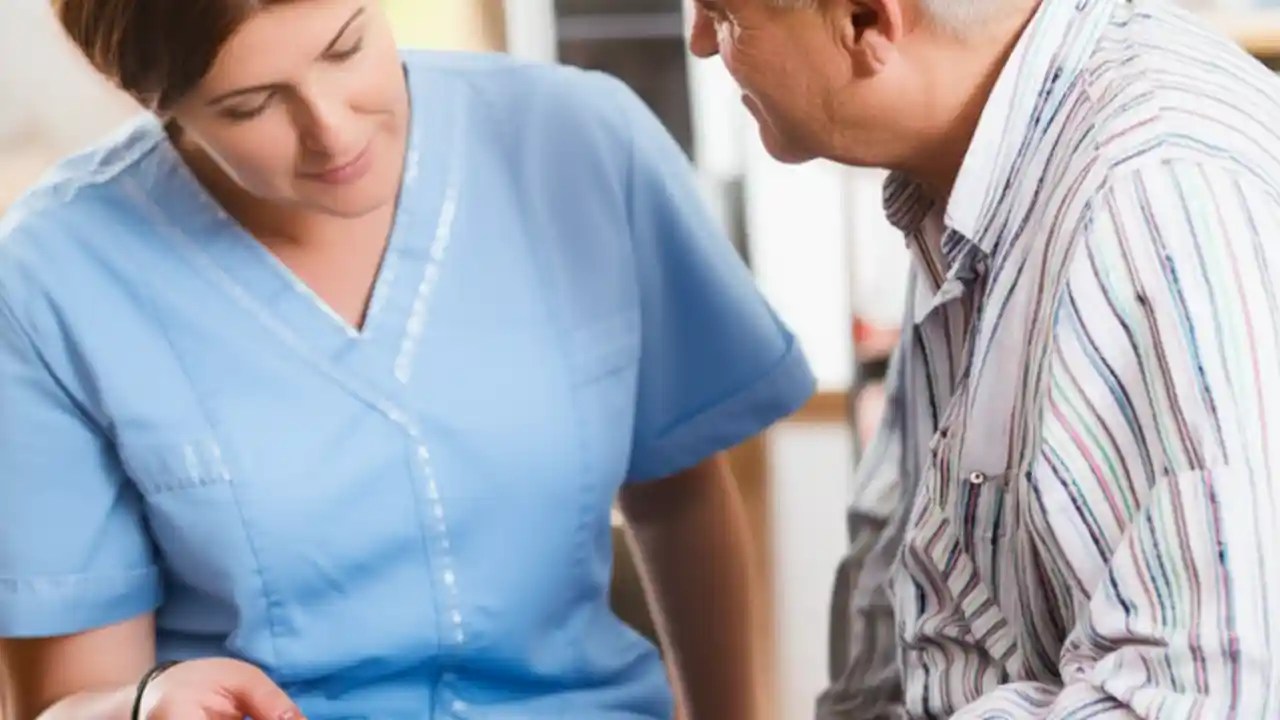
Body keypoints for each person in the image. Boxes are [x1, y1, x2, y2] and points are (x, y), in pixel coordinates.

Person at [0, 1, 817, 718]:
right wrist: (143, 707)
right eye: (250, 105)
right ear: (156, 103)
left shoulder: (580, 140)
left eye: (346, 45)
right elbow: (68, 698)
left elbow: (678, 495)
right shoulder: (55, 276)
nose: (333, 129)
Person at [689, 0, 1280, 717]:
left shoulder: (1155, 205)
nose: (699, 44)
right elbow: (903, 619)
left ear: (866, 22)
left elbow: (1213, 700)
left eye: (722, 14)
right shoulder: (973, 177)